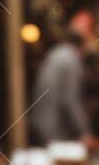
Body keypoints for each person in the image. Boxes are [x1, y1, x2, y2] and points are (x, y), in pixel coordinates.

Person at [29, 10, 94, 144]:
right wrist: (85, 132)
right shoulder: (70, 59)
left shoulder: (58, 53)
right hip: (54, 131)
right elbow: (70, 100)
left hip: (43, 126)